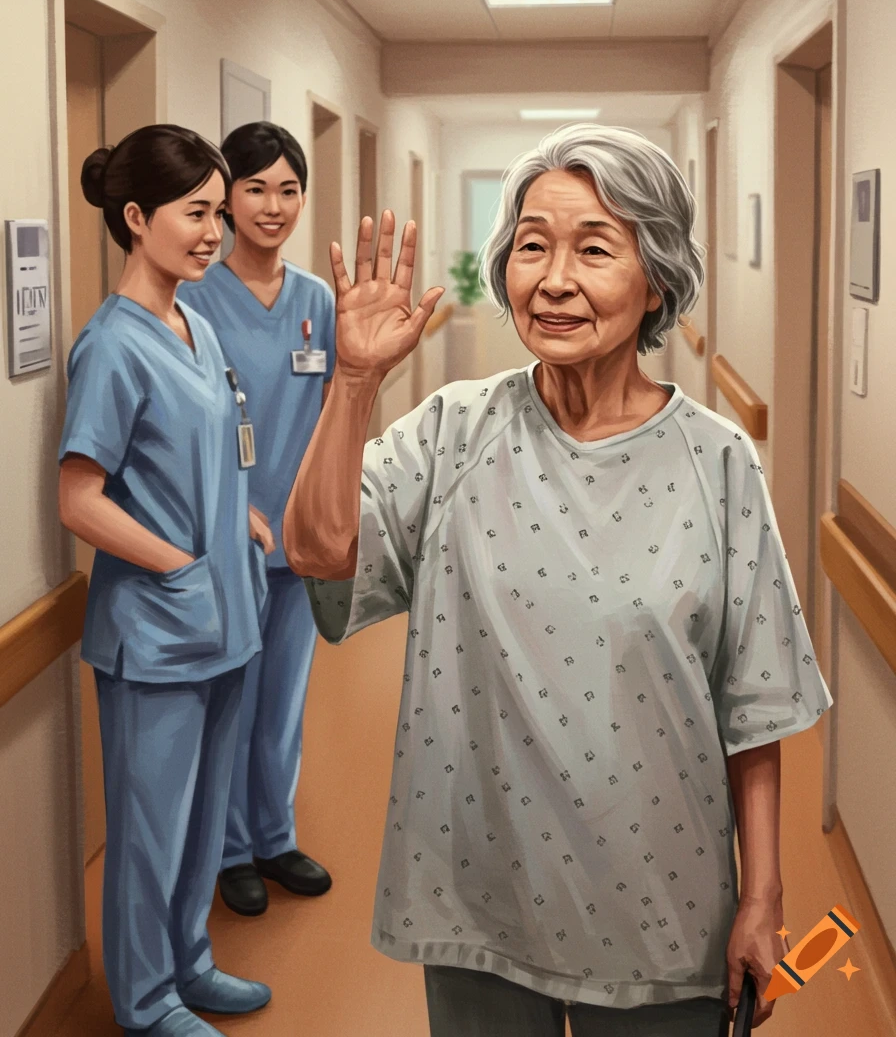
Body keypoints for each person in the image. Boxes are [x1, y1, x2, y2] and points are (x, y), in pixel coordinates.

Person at [282, 124, 833, 1036]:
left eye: (594, 248)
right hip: (479, 894)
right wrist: (352, 383)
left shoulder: (717, 459)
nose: (554, 279)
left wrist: (763, 896)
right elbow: (318, 550)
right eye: (531, 245)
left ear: (655, 276)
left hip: (664, 905)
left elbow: (756, 702)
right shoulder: (454, 430)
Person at [58, 125, 274, 1037]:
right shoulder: (111, 345)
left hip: (229, 618)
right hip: (158, 631)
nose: (214, 232)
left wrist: (245, 513)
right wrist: (182, 562)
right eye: (197, 214)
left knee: (199, 819)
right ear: (137, 217)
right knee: (148, 832)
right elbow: (79, 500)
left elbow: (219, 444)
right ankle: (146, 1003)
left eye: (219, 214)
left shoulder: (197, 321)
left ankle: (191, 963)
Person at [178, 121, 334, 917]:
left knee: (283, 701)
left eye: (289, 189)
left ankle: (275, 834)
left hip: (299, 541)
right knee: (230, 700)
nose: (273, 206)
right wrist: (230, 512)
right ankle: (230, 849)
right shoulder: (193, 298)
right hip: (227, 534)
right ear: (226, 199)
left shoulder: (318, 302)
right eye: (255, 189)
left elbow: (342, 414)